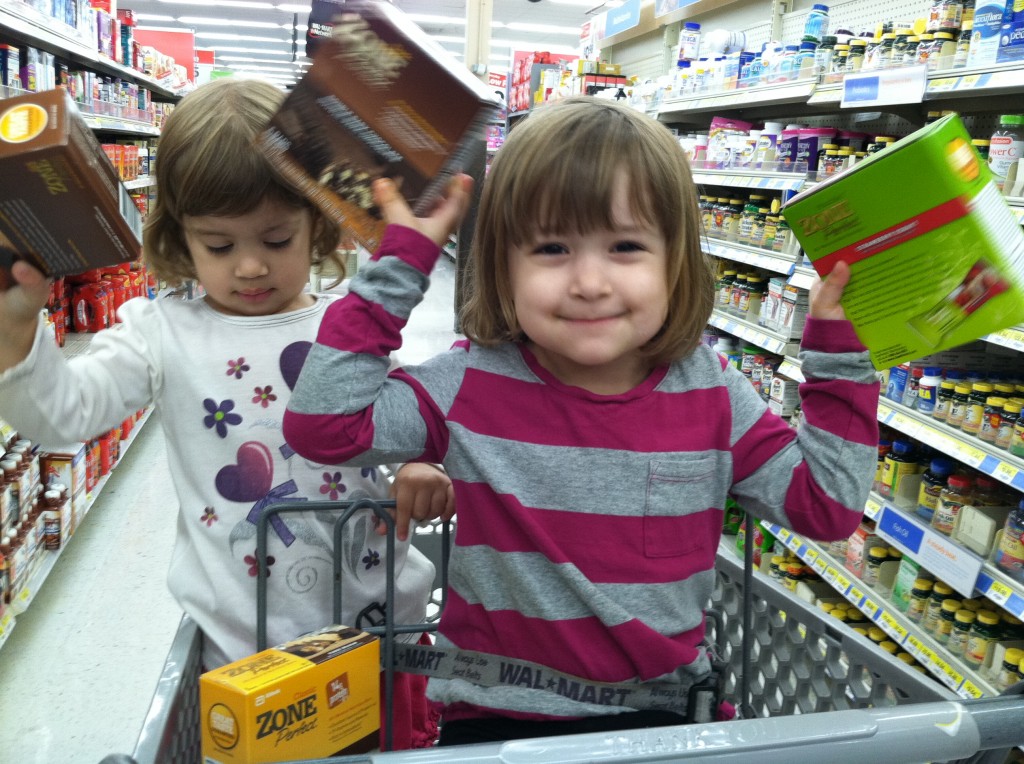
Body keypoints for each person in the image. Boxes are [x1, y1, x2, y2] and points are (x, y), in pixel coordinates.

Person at [283, 96, 879, 746]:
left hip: (663, 720)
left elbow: (827, 508)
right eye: (552, 247)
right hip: (490, 721)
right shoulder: (468, 385)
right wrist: (399, 265)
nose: (589, 282)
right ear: (501, 262)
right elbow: (324, 426)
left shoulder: (712, 392)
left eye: (626, 246)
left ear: (675, 258)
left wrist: (839, 359)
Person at [0, 77, 451, 750]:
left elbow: (399, 413)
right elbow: (66, 415)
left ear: (318, 222)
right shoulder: (161, 332)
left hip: (383, 634)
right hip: (247, 651)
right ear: (180, 237)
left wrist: (419, 459)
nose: (247, 267)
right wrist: (16, 333)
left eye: (275, 239)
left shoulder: (348, 322)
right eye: (218, 245)